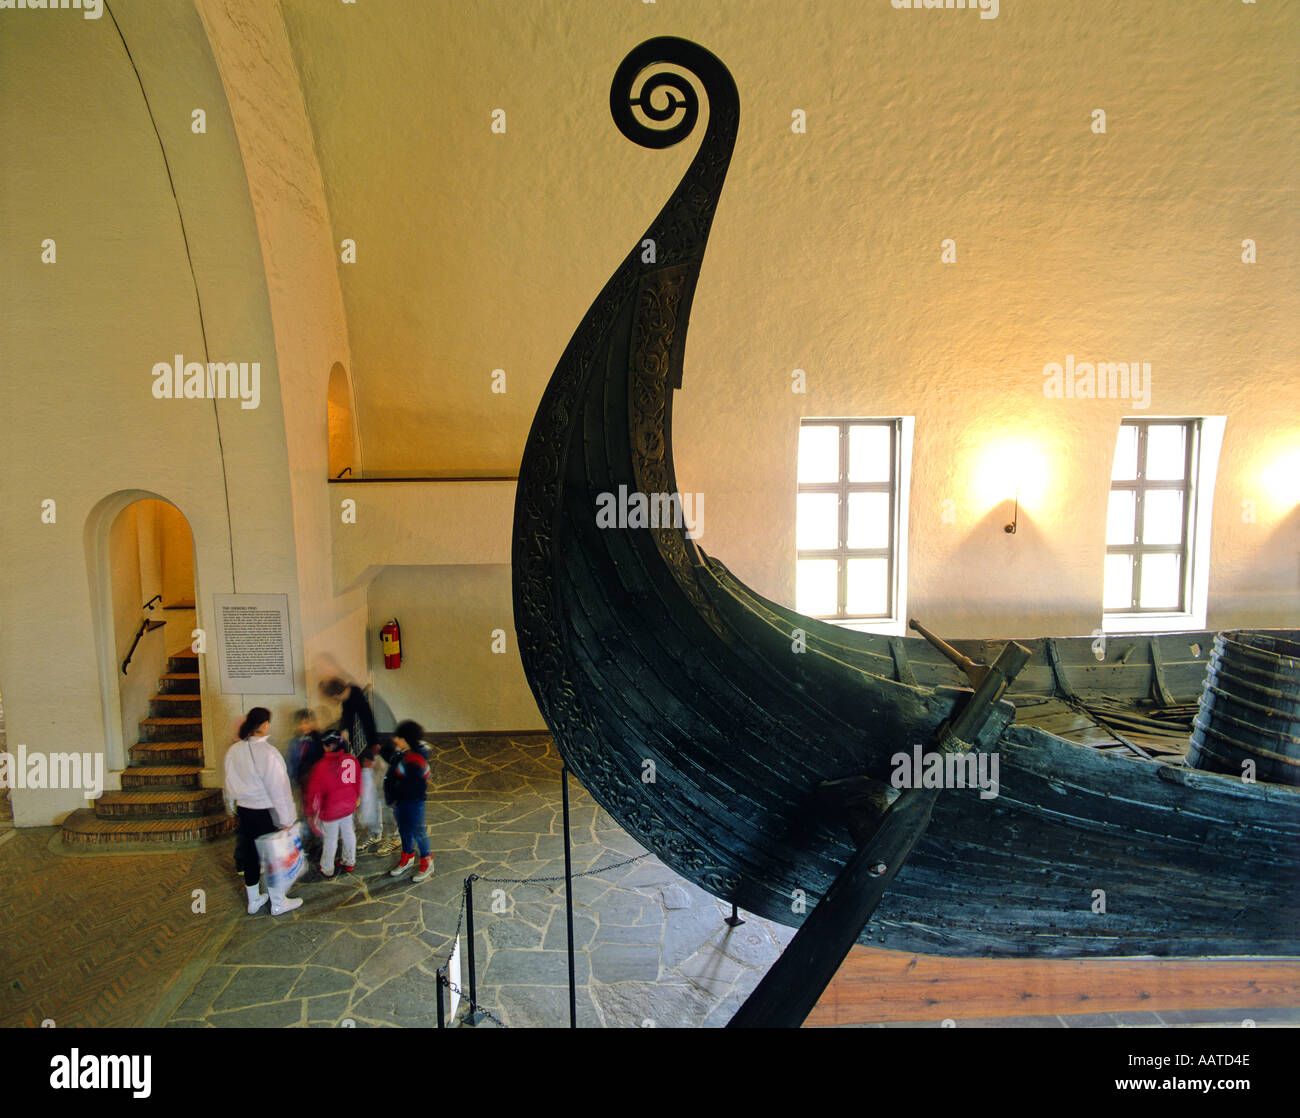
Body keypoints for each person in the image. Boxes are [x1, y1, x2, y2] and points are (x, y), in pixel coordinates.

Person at [223, 708, 303, 915]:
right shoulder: (269, 753)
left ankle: (254, 900)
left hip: (244, 810)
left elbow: (228, 782)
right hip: (265, 812)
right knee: (273, 857)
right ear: (264, 725)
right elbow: (280, 789)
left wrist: (231, 807)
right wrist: (287, 818)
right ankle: (278, 902)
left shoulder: (234, 750)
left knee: (250, 855)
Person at [305, 730, 360, 877]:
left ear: (328, 746)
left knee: (330, 839)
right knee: (349, 833)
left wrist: (310, 811)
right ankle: (349, 861)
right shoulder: (351, 760)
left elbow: (313, 793)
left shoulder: (321, 766)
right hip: (348, 806)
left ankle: (327, 868)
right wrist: (355, 798)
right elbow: (357, 782)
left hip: (330, 810)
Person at [384, 720, 433, 882]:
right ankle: (408, 856)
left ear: (407, 740)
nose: (395, 739)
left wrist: (395, 796)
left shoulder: (415, 759)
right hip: (400, 802)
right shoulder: (403, 753)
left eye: (398, 737)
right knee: (404, 829)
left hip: (412, 802)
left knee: (418, 831)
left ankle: (427, 861)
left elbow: (411, 785)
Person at [320, 677, 378, 762]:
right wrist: (344, 729)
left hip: (366, 742)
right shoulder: (347, 697)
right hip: (359, 740)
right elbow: (347, 716)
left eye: (334, 698)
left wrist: (373, 743)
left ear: (336, 695)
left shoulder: (356, 696)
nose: (334, 700)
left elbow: (368, 720)